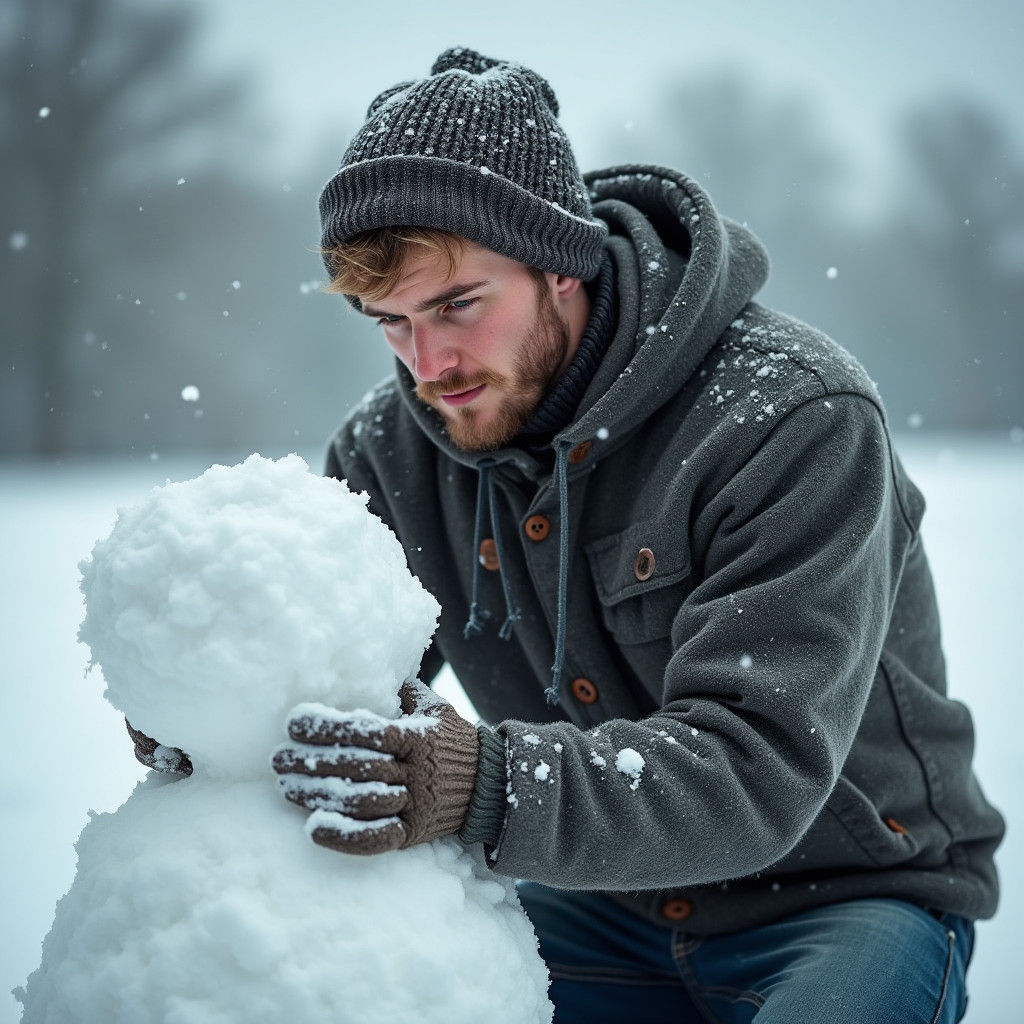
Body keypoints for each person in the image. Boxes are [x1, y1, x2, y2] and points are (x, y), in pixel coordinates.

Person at [131, 47, 1004, 1023]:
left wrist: (484, 784)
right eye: (391, 322)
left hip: (844, 896)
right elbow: (336, 692)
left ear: (561, 262)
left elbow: (755, 768)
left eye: (458, 305)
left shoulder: (790, 418)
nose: (429, 364)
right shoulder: (391, 450)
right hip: (594, 904)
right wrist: (220, 707)